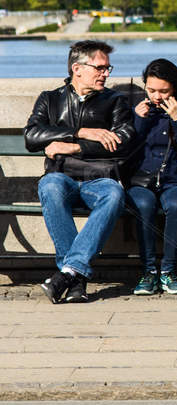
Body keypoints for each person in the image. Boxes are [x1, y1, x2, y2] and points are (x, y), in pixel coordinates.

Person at [24, 40, 134, 303]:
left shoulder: (116, 101)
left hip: (101, 179)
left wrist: (71, 147)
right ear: (78, 68)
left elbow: (123, 141)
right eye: (100, 68)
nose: (106, 74)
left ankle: (68, 273)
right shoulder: (50, 99)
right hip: (62, 177)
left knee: (115, 195)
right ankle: (76, 277)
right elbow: (31, 137)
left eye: (108, 68)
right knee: (49, 186)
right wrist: (80, 132)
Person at [126, 59, 177, 296]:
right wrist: (137, 121)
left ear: (175, 89)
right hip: (141, 180)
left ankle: (168, 271)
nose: (157, 96)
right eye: (151, 90)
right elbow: (123, 152)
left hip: (176, 179)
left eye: (163, 91)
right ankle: (148, 273)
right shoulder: (137, 112)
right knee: (143, 204)